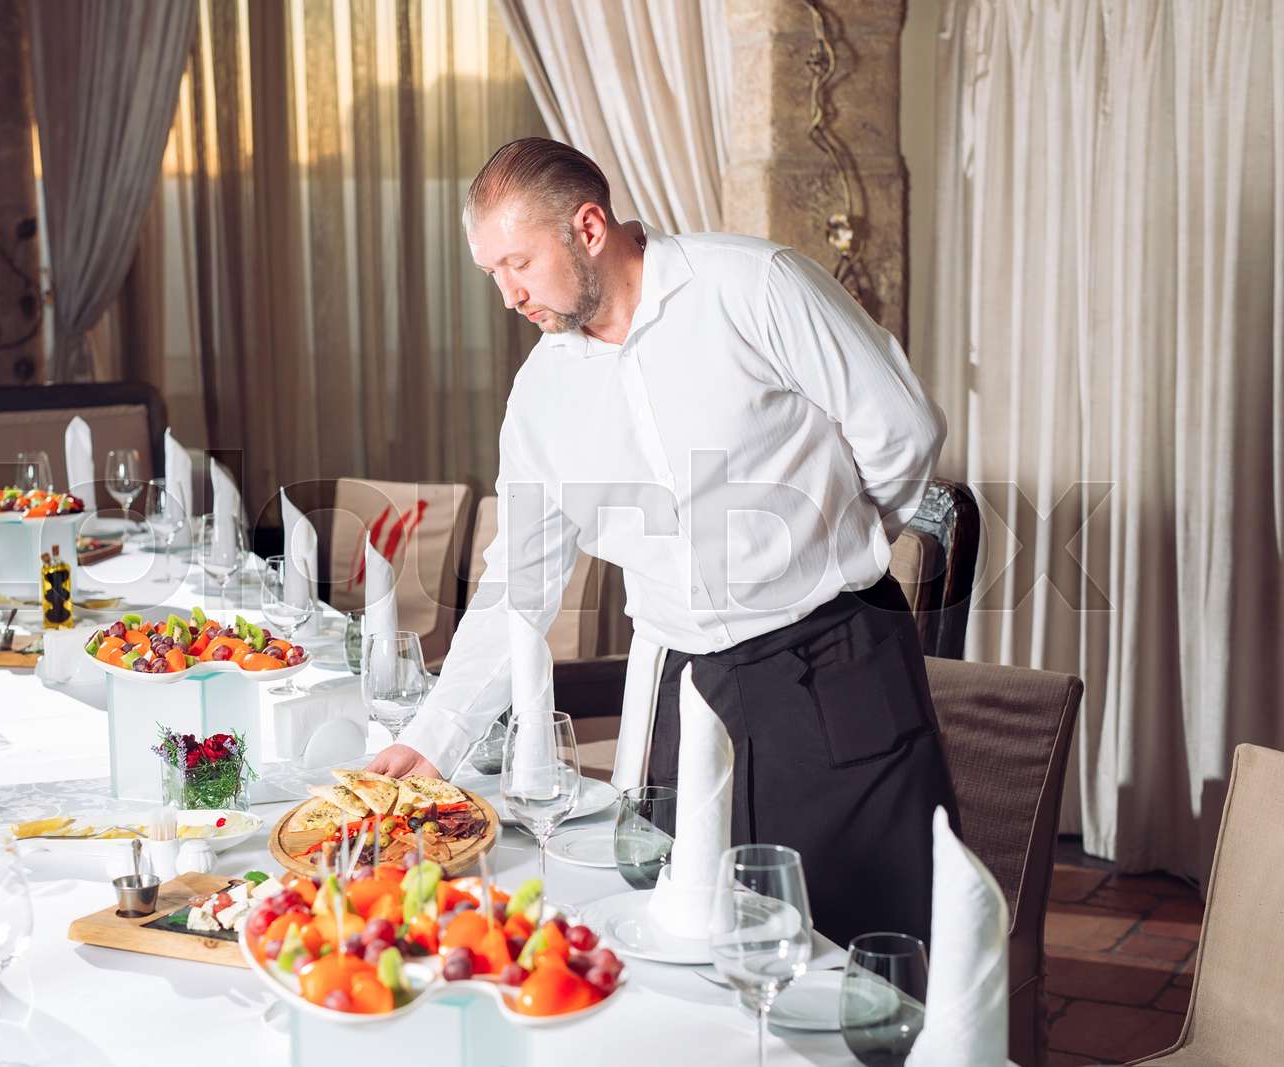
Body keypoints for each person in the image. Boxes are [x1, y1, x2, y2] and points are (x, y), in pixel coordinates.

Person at [366, 137, 958, 946]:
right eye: (491, 273)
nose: (507, 294)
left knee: (874, 966)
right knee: (699, 966)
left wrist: (834, 543)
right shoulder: (541, 395)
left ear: (588, 226)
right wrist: (432, 737)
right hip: (686, 699)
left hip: (836, 671)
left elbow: (903, 430)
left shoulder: (753, 285)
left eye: (518, 263)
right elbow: (519, 587)